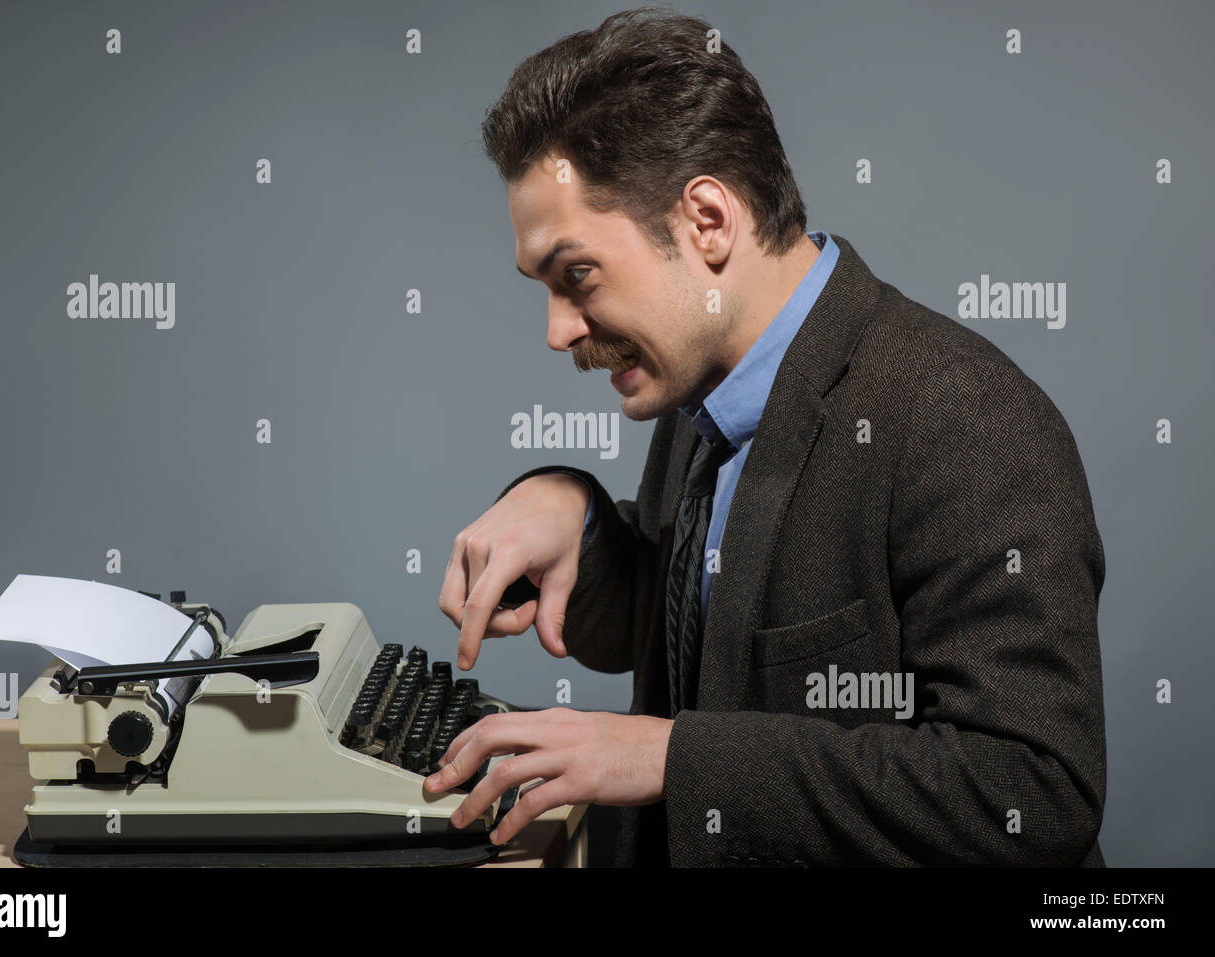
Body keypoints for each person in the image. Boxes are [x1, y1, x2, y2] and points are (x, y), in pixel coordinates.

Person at [427, 7, 1107, 867]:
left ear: (707, 221)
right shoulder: (704, 385)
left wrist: (673, 759)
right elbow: (709, 632)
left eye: (578, 275)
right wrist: (574, 509)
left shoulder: (968, 417)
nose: (559, 331)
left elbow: (1032, 792)